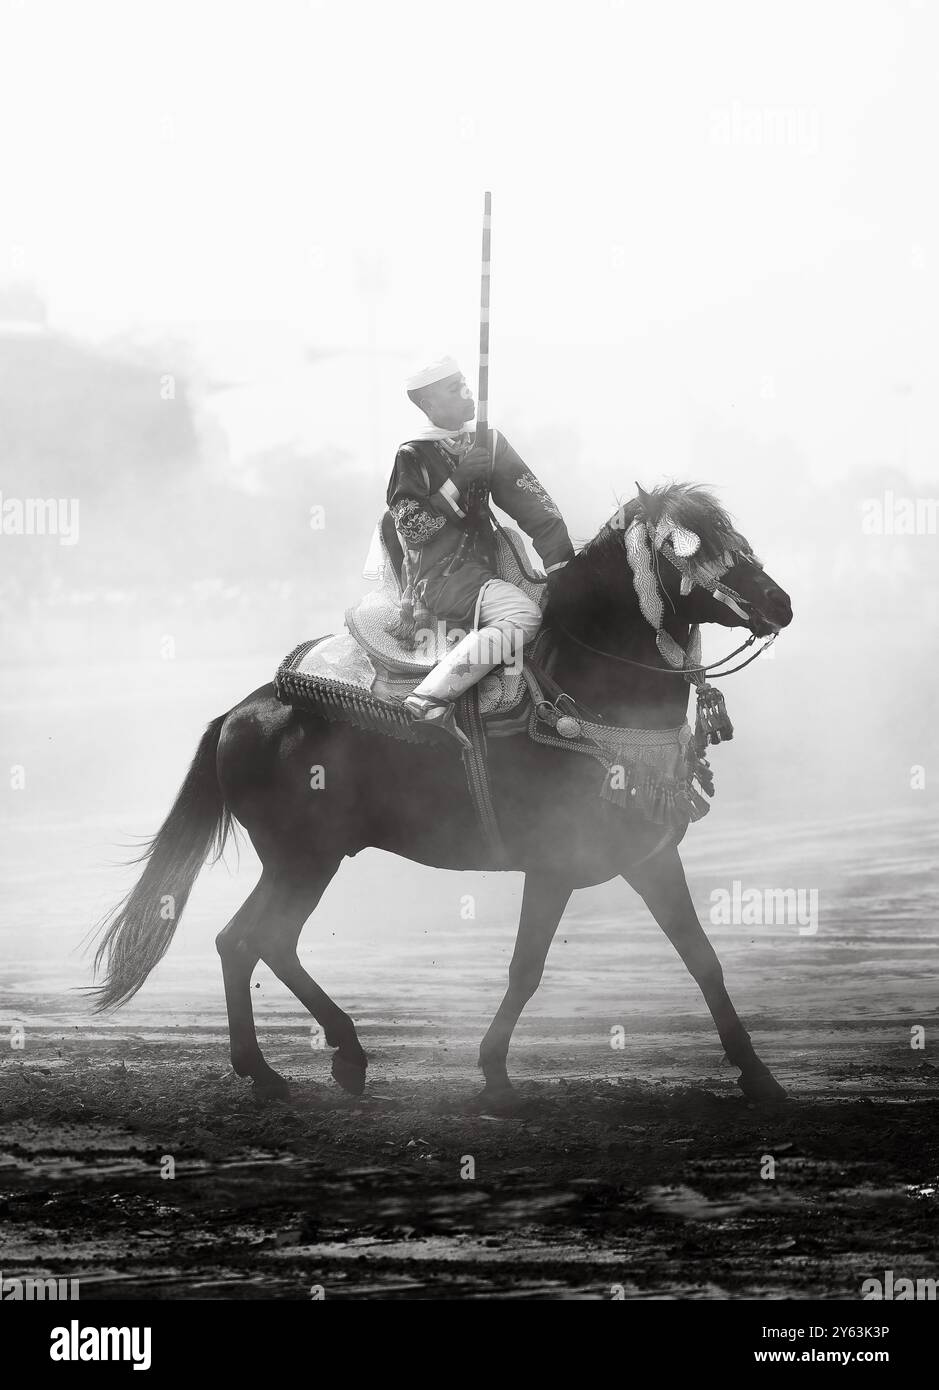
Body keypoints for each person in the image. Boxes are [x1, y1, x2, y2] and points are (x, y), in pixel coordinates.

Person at [386, 355, 574, 743]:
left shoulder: (488, 440)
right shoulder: (411, 455)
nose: (468, 392)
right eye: (455, 389)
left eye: (466, 383)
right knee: (524, 616)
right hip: (441, 579)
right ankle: (428, 700)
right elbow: (412, 527)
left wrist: (564, 570)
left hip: (491, 571)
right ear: (428, 405)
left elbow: (535, 505)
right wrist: (459, 479)